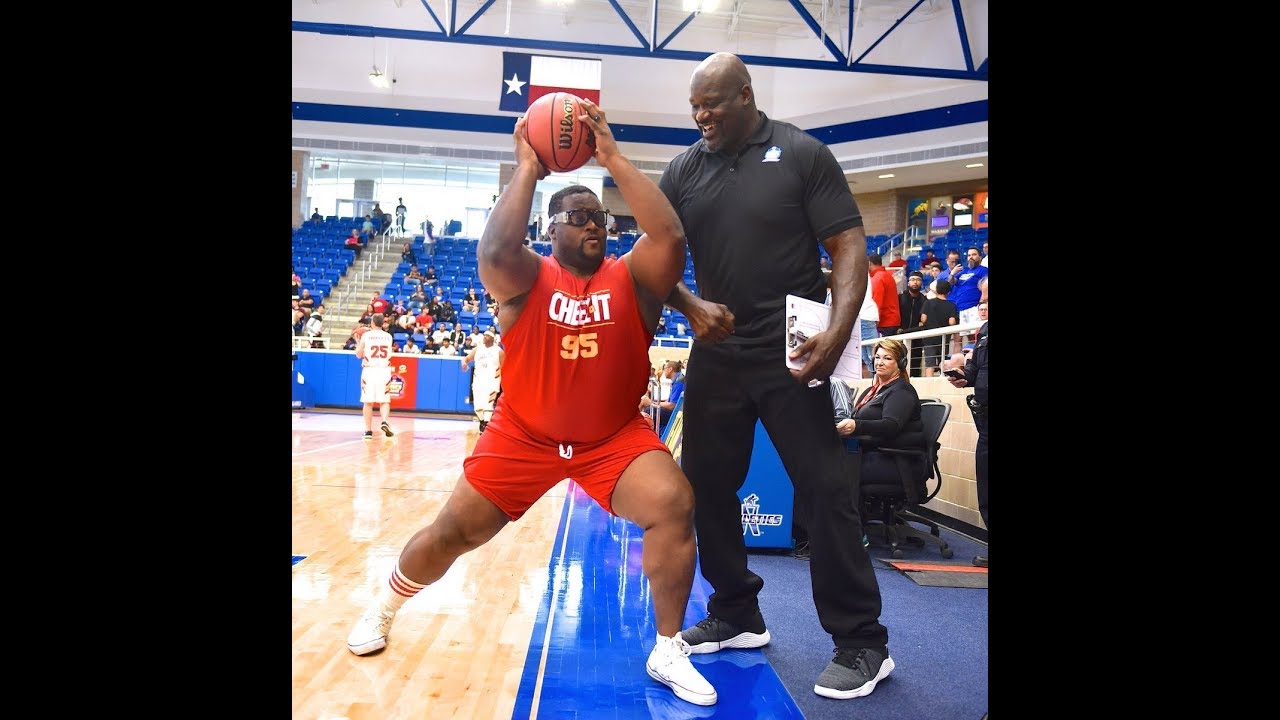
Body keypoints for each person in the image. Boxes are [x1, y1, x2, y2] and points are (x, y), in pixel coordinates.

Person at [346, 100, 717, 707]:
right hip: (524, 438)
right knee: (450, 535)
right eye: (578, 216)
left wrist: (612, 157)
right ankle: (385, 607)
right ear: (551, 230)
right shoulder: (525, 277)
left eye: (599, 217)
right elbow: (493, 253)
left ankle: (668, 647)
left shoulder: (632, 277)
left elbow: (669, 235)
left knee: (674, 502)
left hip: (611, 441)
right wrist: (526, 166)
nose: (594, 224)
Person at [658, 52, 892, 701]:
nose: (701, 116)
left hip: (793, 354)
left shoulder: (800, 154)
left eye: (712, 104)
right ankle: (737, 611)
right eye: (694, 106)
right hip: (718, 352)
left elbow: (848, 245)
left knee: (822, 488)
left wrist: (838, 331)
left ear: (745, 95)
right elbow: (653, 257)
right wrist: (690, 306)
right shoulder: (684, 169)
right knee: (706, 487)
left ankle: (863, 642)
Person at [947, 279, 987, 567]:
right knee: (985, 483)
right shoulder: (985, 331)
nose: (982, 301)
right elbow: (975, 370)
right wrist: (964, 375)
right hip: (984, 418)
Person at [353, 313, 396, 440]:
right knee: (385, 400)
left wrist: (358, 341)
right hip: (384, 370)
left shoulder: (366, 335)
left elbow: (359, 355)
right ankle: (384, 421)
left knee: (368, 402)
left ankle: (368, 431)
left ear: (372, 322)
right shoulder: (388, 337)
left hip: (370, 370)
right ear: (383, 323)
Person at [459, 331, 504, 432]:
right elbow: (467, 358)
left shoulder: (499, 351)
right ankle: (482, 421)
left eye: (487, 336)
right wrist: (464, 362)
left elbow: (504, 368)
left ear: (493, 338)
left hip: (492, 380)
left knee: (488, 403)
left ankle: (487, 424)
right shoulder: (477, 349)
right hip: (478, 380)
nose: (485, 337)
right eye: (484, 335)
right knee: (478, 404)